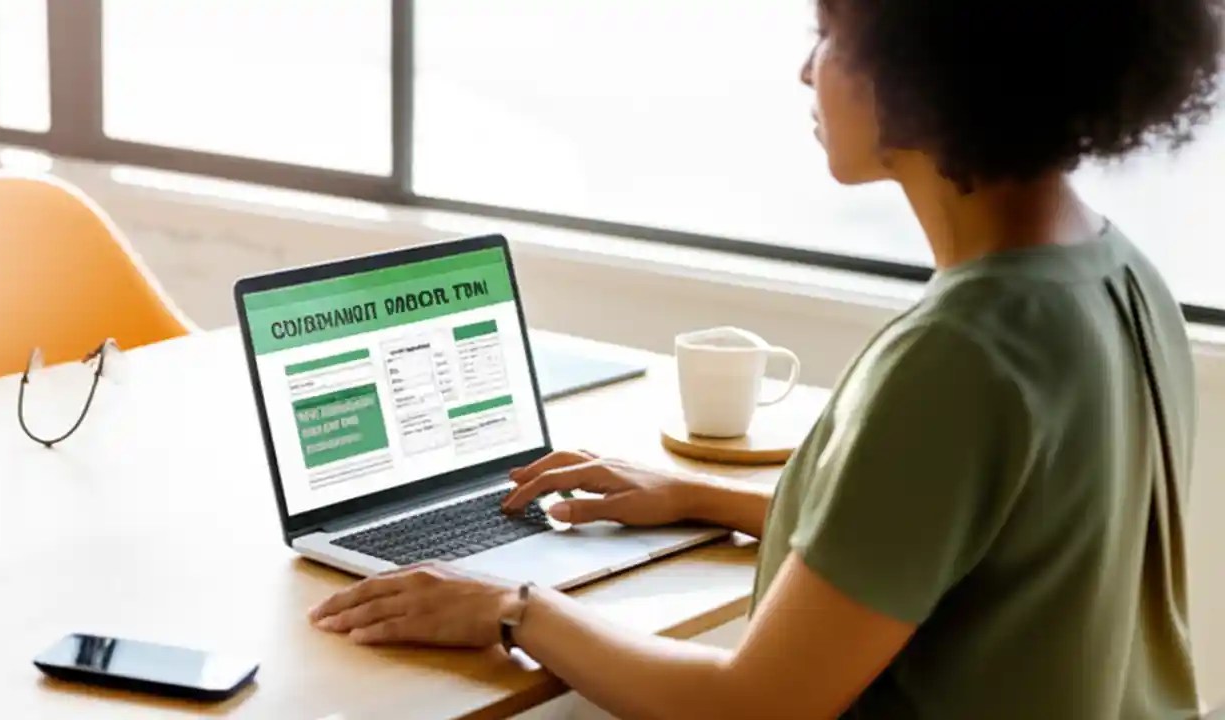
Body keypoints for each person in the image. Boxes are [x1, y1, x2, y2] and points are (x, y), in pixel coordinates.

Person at [309, 1, 1223, 717]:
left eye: (826, 33)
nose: (804, 69)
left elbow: (752, 706)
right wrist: (703, 497)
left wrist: (513, 610)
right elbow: (983, 537)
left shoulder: (959, 354)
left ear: (932, 67)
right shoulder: (1114, 272)